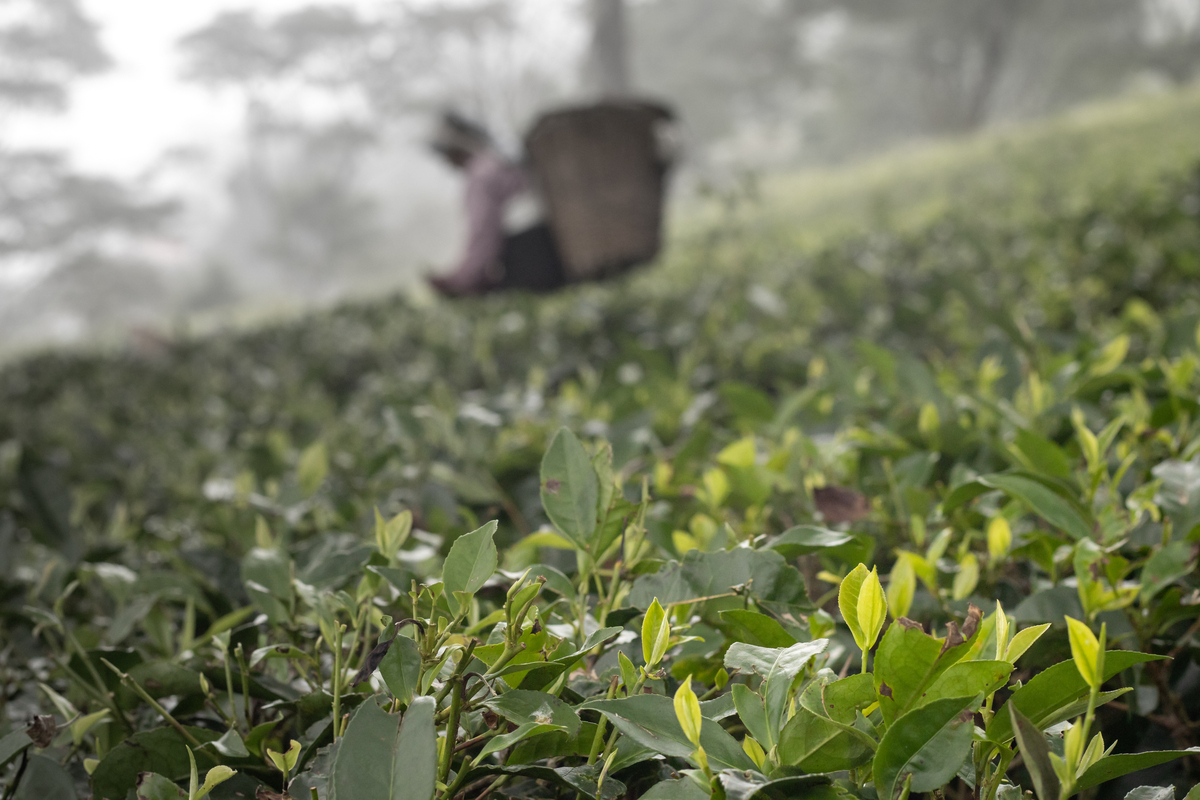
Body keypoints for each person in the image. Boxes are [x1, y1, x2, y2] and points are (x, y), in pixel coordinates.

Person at [426, 111, 564, 297]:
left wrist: (462, 280)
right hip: (552, 248)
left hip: (528, 257)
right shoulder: (500, 161)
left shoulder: (480, 175)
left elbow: (484, 233)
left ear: (456, 150)